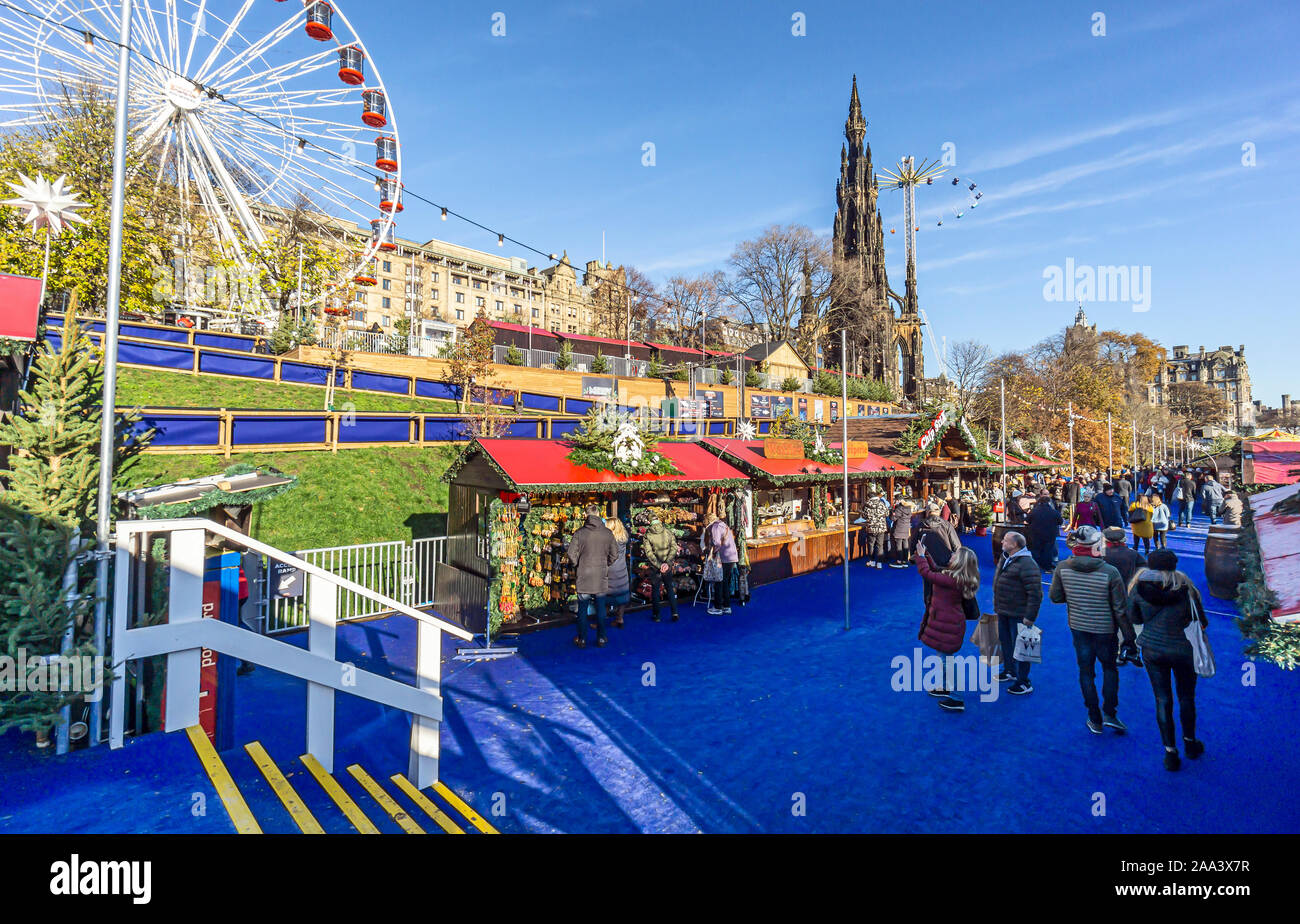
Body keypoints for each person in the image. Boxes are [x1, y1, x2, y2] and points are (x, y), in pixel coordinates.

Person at [1127, 549, 1208, 771]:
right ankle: (1190, 743)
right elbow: (1202, 620)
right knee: (1186, 697)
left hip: (1153, 649)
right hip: (1184, 649)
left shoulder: (1138, 589)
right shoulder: (1187, 589)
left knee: (1162, 699)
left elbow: (1133, 618)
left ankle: (1170, 753)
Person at [1050, 525, 1129, 735]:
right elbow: (1120, 608)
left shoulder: (1063, 568)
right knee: (1110, 668)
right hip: (1105, 628)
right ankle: (1110, 712)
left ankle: (1094, 717)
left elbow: (1055, 597)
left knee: (1086, 671)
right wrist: (1129, 637)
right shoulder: (1109, 572)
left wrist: (1075, 597)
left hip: (1078, 625)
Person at [916, 544, 982, 713]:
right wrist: (927, 556)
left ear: (959, 561)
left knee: (947, 661)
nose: (951, 555)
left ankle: (957, 697)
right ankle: (946, 687)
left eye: (955, 554)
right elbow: (936, 570)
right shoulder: (957, 577)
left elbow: (928, 574)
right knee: (944, 658)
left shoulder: (952, 580)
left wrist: (921, 557)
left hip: (948, 624)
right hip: (949, 623)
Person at [993, 530, 1041, 695]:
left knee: (1022, 648)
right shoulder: (1006, 558)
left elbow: (1035, 593)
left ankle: (1024, 681)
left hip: (1019, 613)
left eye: (1005, 541)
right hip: (1004, 610)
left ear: (1015, 545)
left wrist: (1030, 616)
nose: (1002, 542)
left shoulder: (1028, 564)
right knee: (1006, 642)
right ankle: (1010, 670)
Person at [567, 506, 619, 648]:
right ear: (598, 514)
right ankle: (601, 638)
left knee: (582, 609)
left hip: (583, 574)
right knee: (600, 608)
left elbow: (571, 553)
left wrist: (578, 564)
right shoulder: (607, 533)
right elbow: (615, 554)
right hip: (600, 575)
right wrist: (605, 564)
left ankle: (582, 638)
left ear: (586, 515)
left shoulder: (580, 533)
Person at [1102, 526, 1146, 667]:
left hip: (1106, 594)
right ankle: (1126, 649)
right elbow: (1144, 569)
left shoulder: (1101, 554)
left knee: (1109, 625)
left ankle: (1113, 653)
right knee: (1125, 623)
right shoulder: (1132, 554)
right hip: (1127, 593)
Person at [641, 513, 681, 622]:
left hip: (655, 566)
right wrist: (667, 563)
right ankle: (675, 612)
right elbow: (674, 547)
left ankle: (657, 615)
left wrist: (659, 565)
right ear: (658, 520)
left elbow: (649, 553)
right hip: (667, 565)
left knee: (655, 590)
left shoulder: (647, 535)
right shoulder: (667, 532)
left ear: (649, 522)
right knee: (669, 588)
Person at [701, 512, 739, 615]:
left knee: (719, 581)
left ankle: (718, 607)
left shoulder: (715, 527)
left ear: (708, 521)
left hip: (723, 557)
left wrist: (712, 552)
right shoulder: (723, 525)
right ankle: (727, 606)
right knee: (725, 582)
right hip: (732, 557)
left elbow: (717, 543)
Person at [603, 517, 631, 629]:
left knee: (604, 596)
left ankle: (601, 621)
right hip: (622, 569)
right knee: (621, 595)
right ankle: (620, 618)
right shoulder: (623, 538)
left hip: (609, 570)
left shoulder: (608, 540)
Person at [1026, 490, 1063, 572]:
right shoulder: (1053, 511)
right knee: (1048, 550)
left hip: (1036, 533)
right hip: (1050, 533)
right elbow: (1060, 521)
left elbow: (1027, 520)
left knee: (1036, 550)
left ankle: (1038, 565)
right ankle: (1047, 566)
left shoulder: (1034, 511)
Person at [863, 487, 890, 569]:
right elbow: (887, 513)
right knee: (880, 545)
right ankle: (879, 563)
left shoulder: (867, 505)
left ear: (869, 497)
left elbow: (864, 516)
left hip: (871, 527)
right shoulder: (881, 503)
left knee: (871, 544)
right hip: (881, 527)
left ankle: (871, 561)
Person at [889, 496, 915, 568]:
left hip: (899, 528)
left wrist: (892, 512)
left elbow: (893, 518)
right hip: (906, 529)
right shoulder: (909, 508)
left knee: (899, 545)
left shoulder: (899, 508)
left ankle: (899, 562)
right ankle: (905, 561)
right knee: (905, 544)